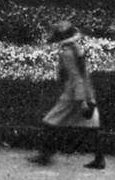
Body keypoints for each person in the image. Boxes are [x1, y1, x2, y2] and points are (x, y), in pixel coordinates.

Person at [33, 20, 104, 170]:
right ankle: (99, 158)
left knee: (50, 121)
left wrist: (81, 100)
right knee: (92, 126)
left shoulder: (67, 52)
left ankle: (45, 155)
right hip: (86, 91)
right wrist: (88, 97)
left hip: (73, 95)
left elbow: (75, 76)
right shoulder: (77, 48)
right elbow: (83, 75)